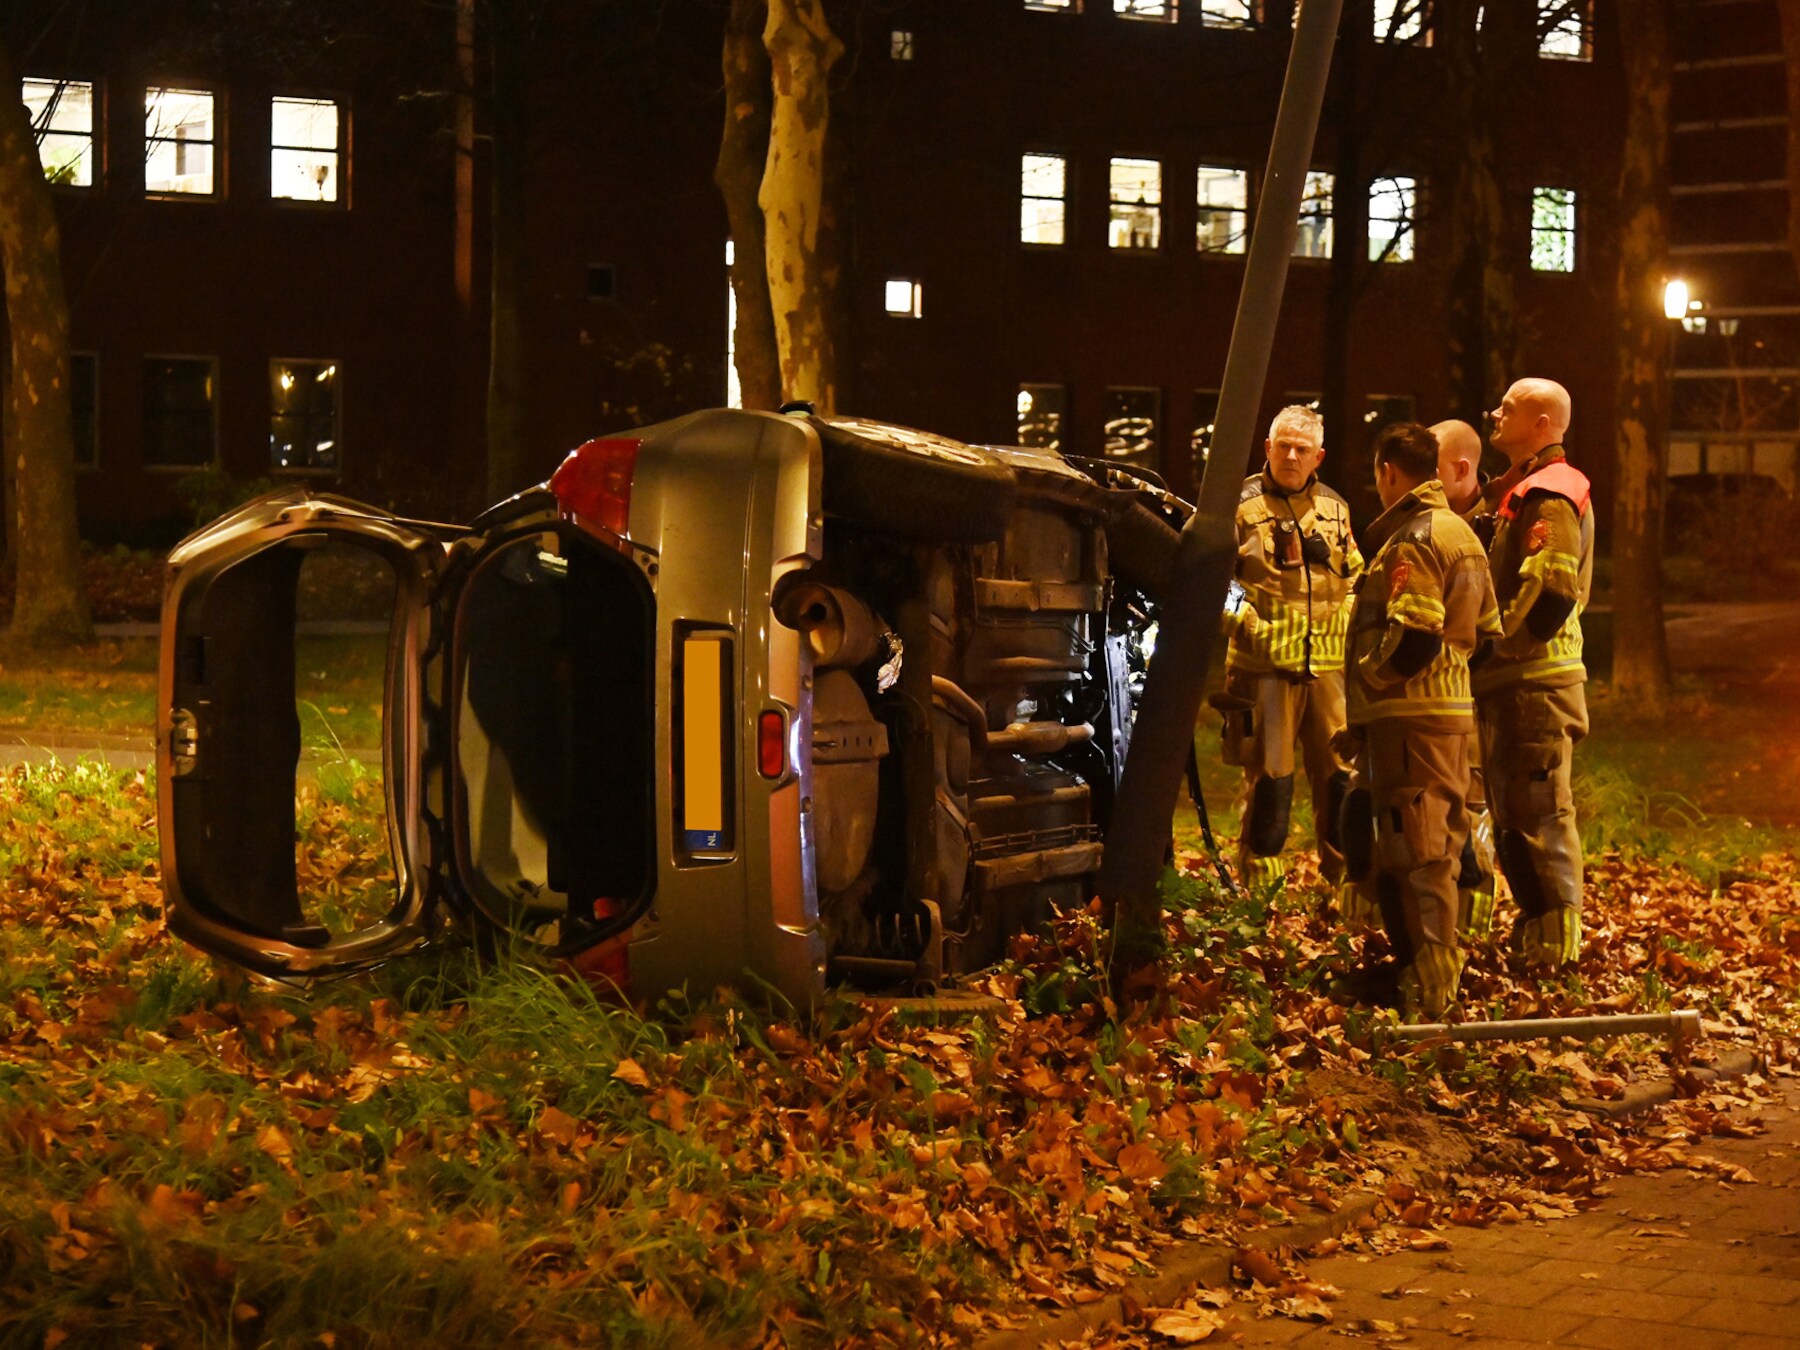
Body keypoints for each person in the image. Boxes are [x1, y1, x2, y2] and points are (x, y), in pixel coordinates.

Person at [1337, 422, 1499, 1015]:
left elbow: (1415, 636)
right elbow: (1483, 637)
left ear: (1387, 471)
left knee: (1417, 850)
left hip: (1410, 719)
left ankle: (1430, 986)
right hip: (1451, 713)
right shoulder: (1462, 532)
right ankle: (1424, 973)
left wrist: (1371, 679)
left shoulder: (1412, 538)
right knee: (1439, 841)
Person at [1473, 378, 1595, 971]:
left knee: (1539, 809)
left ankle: (1557, 940)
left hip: (1537, 681)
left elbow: (1550, 590)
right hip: (1519, 683)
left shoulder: (1549, 493)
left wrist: (1497, 649)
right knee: (1515, 809)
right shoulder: (1518, 490)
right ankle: (1539, 930)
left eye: (1510, 408)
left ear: (1543, 423)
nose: (1494, 413)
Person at [1216, 404, 1362, 890]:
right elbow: (1213, 587)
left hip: (1328, 673)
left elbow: (1357, 578)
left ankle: (1343, 889)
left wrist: (1349, 619)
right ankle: (1260, 897)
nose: (1292, 456)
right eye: (1284, 446)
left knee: (1341, 783)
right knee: (1271, 789)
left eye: (1303, 449)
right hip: (1263, 672)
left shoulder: (1336, 511)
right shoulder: (1237, 507)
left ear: (1318, 456)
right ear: (1268, 449)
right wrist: (1250, 625)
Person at [1430, 418, 1500, 938]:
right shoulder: (1429, 524)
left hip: (1478, 688)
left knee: (1474, 802)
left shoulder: (1494, 525)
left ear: (1459, 469)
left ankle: (1475, 920)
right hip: (1440, 693)